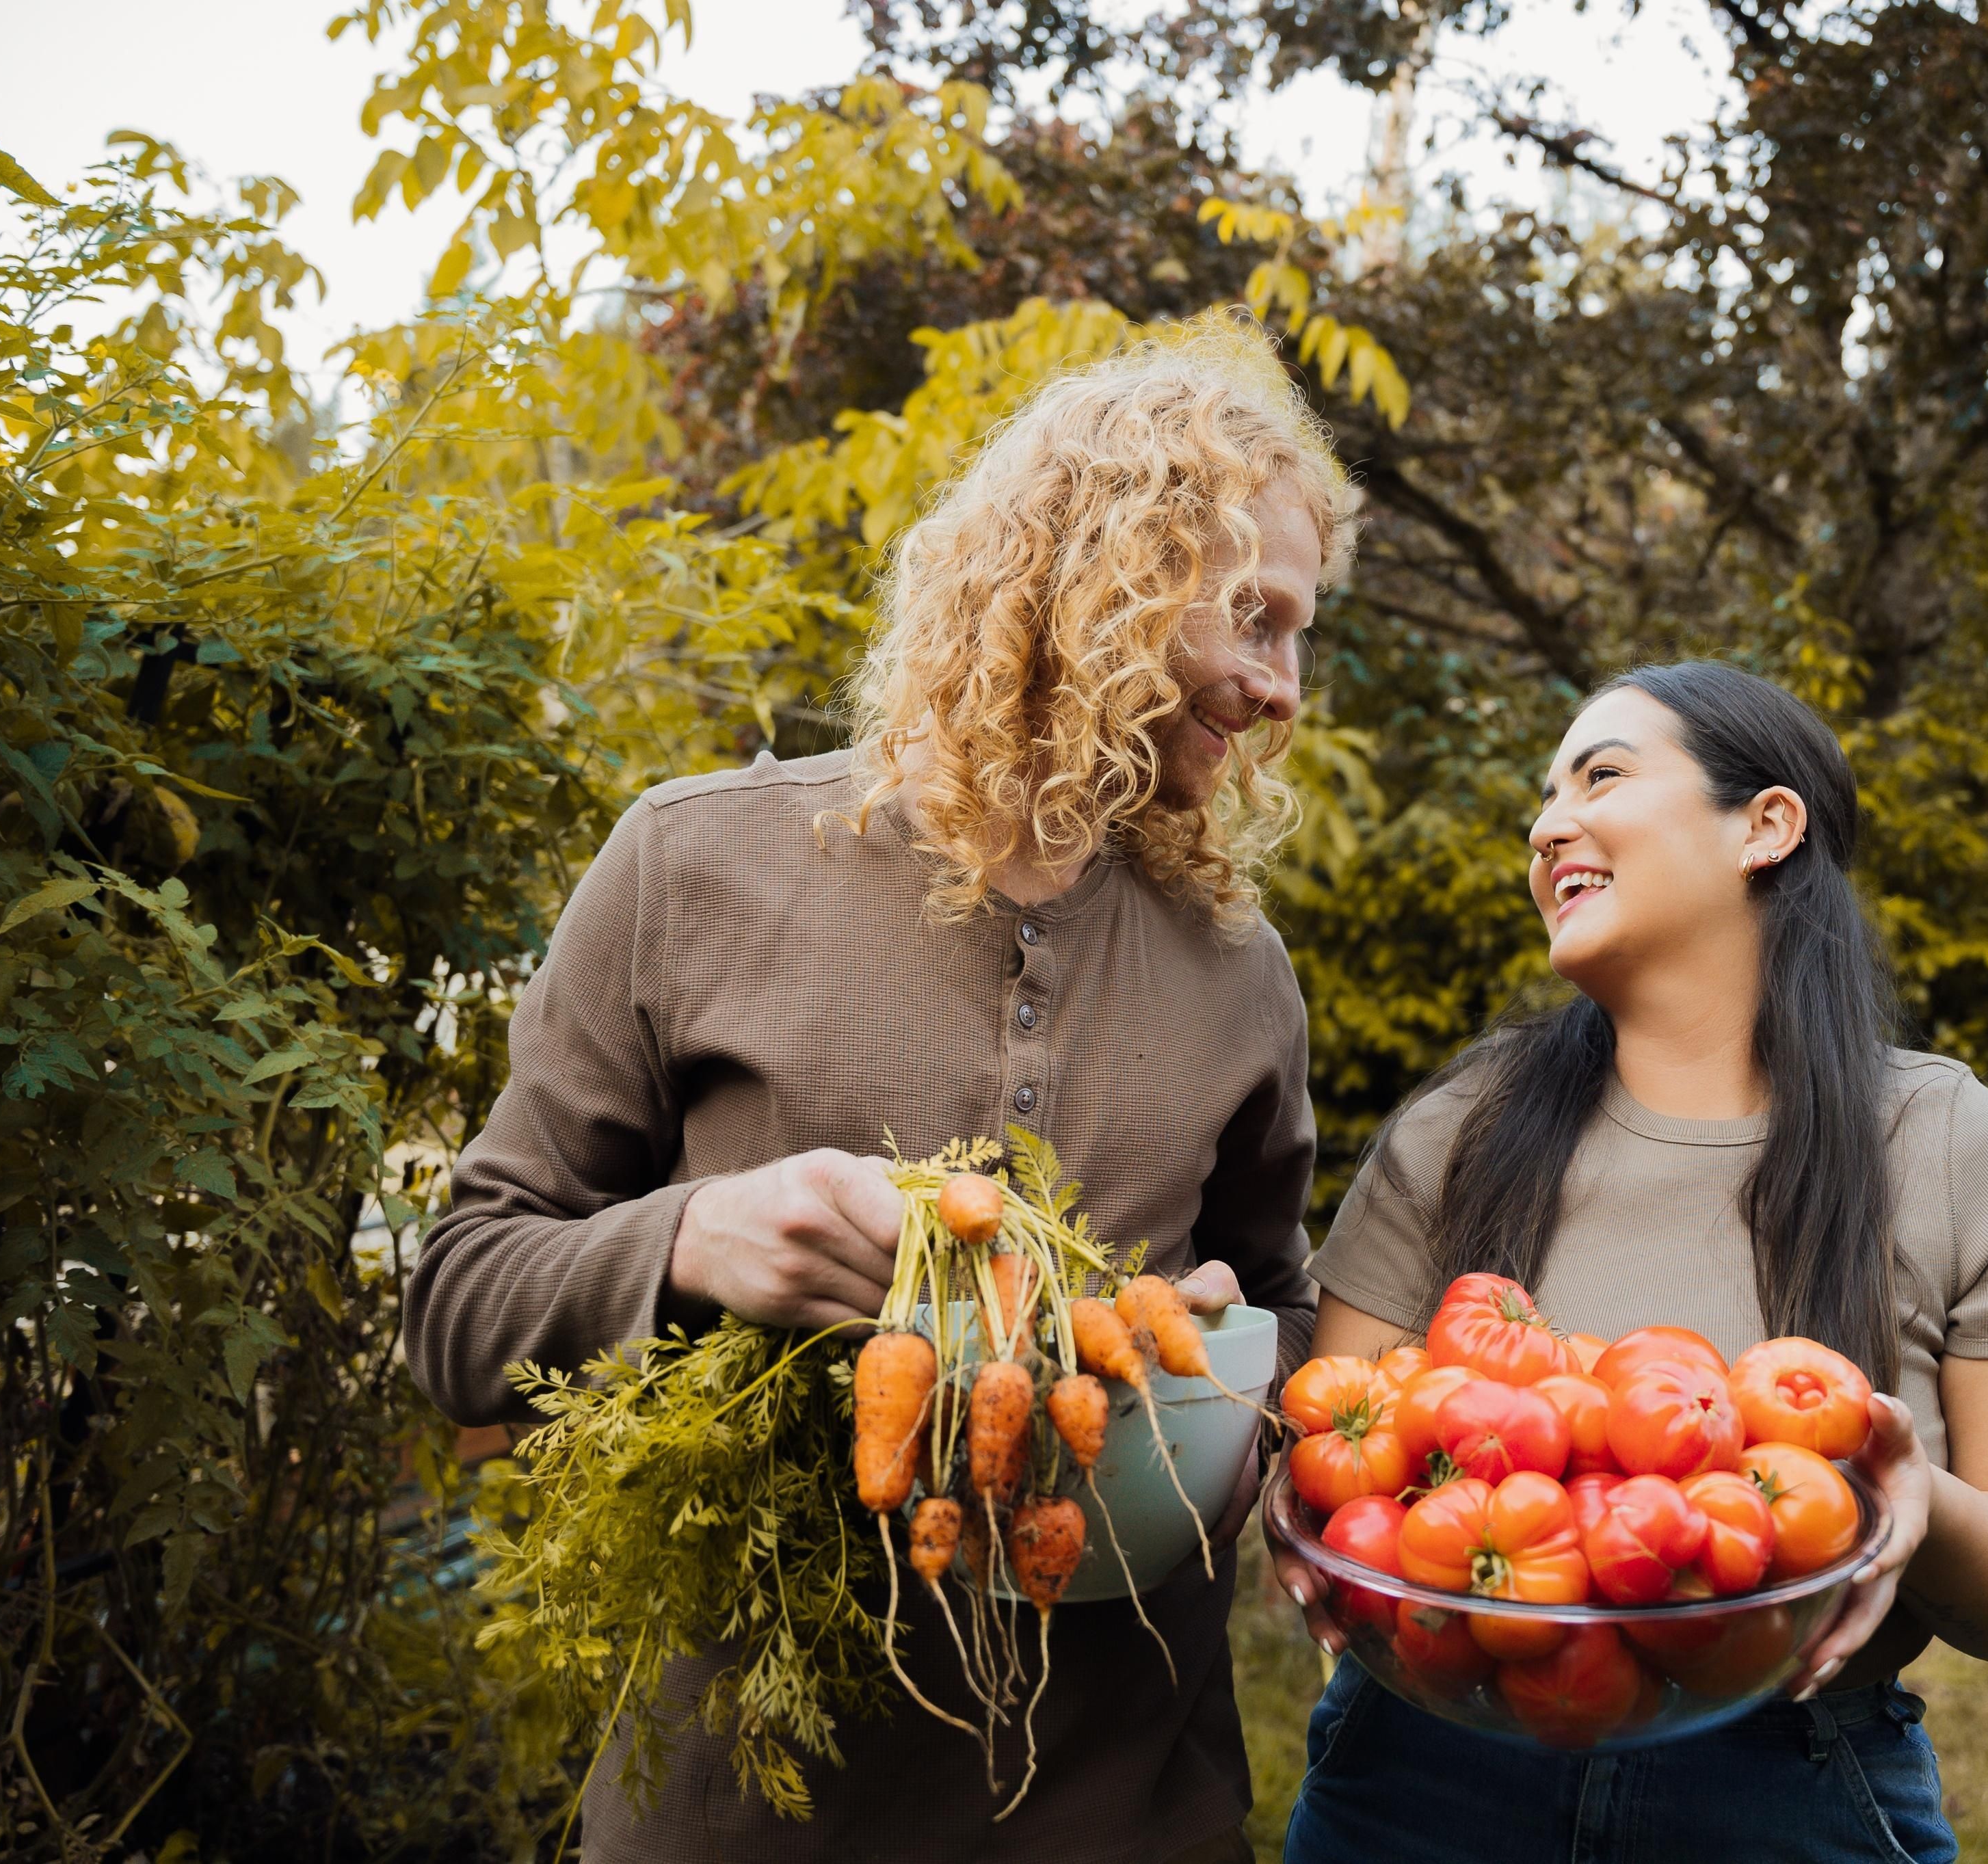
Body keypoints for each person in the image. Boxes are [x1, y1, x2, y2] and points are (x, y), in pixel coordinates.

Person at [403, 315, 1360, 1864]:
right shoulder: (694, 864)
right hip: (742, 1816)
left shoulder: (1238, 968)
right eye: (1255, 618)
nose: (1282, 686)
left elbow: (1285, 1305)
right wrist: (691, 1243)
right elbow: (457, 1312)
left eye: (1301, 634)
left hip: (1128, 1817)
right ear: (1103, 576)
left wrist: (1227, 1384)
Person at [1275, 661, 1988, 1864]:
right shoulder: (1459, 1130)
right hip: (1423, 1778)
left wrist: (1919, 1506)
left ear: (1765, 826)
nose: (1545, 826)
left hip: (1789, 1791)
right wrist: (1302, 1508)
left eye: (1599, 776)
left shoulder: (1959, 1150)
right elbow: (1335, 1464)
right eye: (1543, 799)